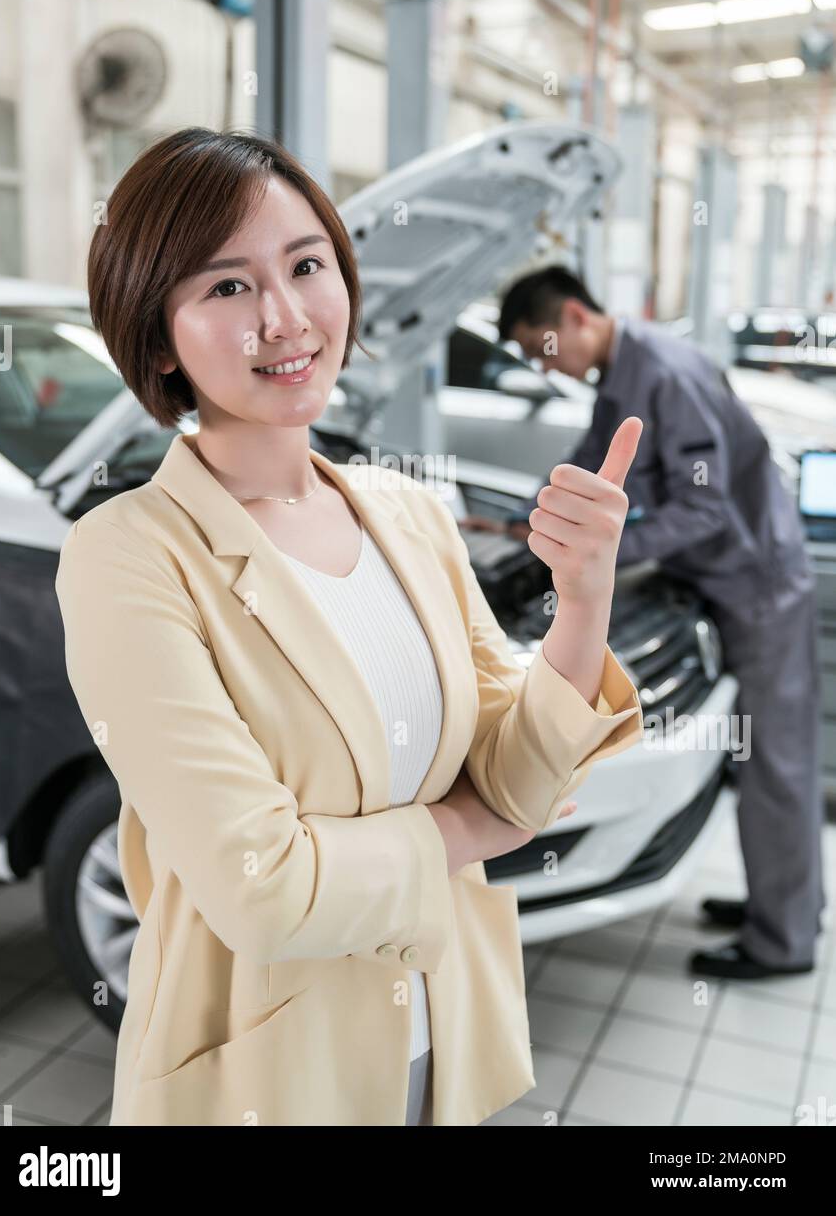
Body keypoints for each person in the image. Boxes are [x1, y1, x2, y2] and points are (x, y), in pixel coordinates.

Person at [54, 129, 645, 1126]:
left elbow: (520, 779)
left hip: (447, 1029)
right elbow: (264, 888)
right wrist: (469, 828)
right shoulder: (130, 555)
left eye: (305, 265)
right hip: (272, 1072)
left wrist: (583, 601)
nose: (284, 317)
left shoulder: (406, 513)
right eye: (226, 287)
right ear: (158, 339)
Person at [473, 263, 827, 982]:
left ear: (574, 316)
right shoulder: (622, 369)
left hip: (756, 584)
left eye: (542, 348)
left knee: (774, 763)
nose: (547, 367)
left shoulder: (663, 373)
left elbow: (706, 507)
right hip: (720, 581)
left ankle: (780, 942)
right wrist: (528, 525)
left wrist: (593, 553)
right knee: (758, 758)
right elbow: (592, 468)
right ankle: (784, 905)